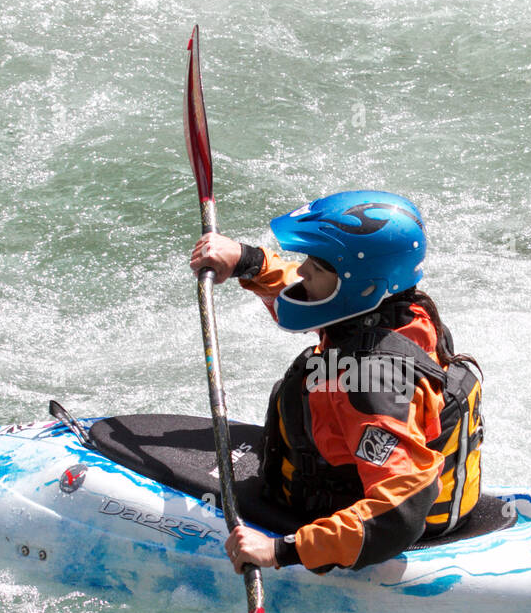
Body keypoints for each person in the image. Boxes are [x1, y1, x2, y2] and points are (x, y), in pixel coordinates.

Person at [189, 190, 484, 575]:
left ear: (361, 286)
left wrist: (282, 551)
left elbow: (403, 507)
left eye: (319, 265)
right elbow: (312, 295)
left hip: (378, 530)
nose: (304, 271)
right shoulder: (401, 311)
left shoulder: (373, 382)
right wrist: (247, 261)